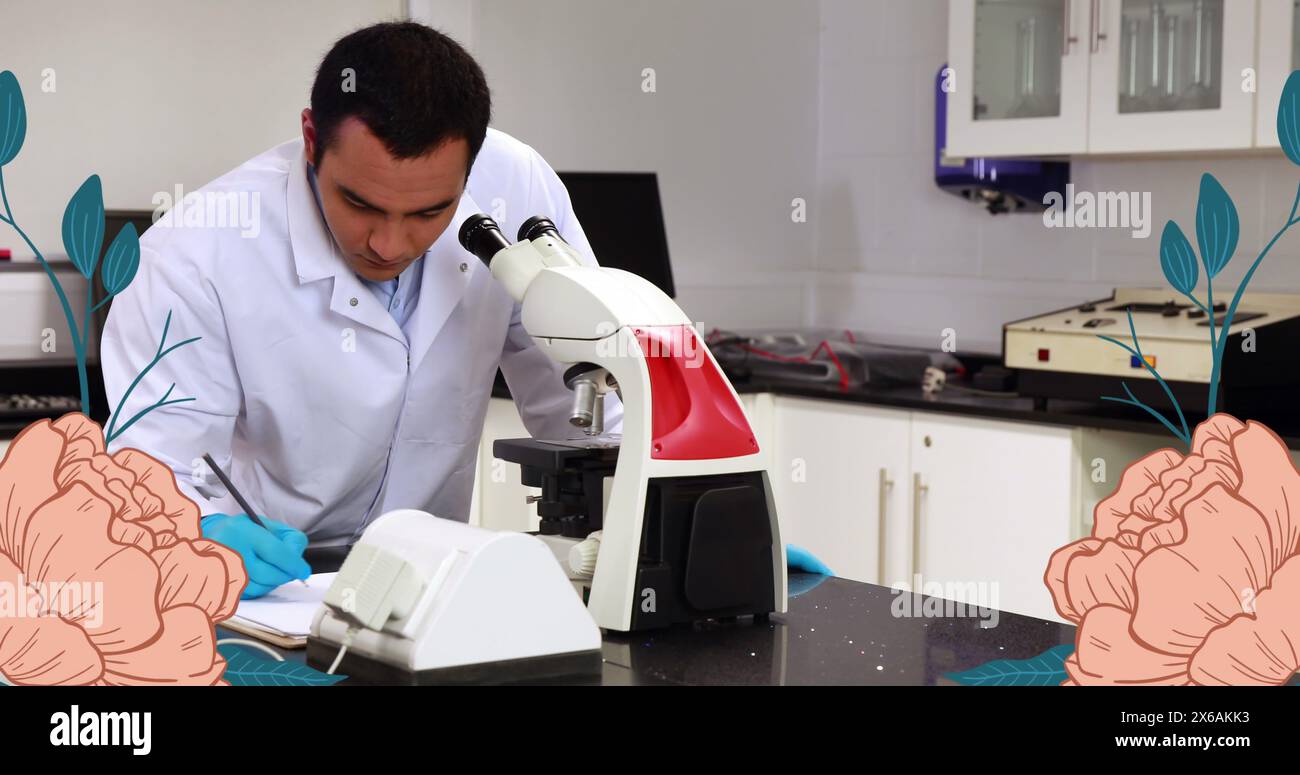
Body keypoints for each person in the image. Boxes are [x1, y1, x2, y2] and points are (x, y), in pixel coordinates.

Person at [100, 22, 618, 598]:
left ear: (471, 167)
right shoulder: (191, 256)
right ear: (310, 139)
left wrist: (639, 505)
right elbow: (148, 481)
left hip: (436, 583)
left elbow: (589, 398)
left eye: (429, 212)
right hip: (272, 592)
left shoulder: (515, 185)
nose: (388, 245)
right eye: (359, 203)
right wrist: (196, 534)